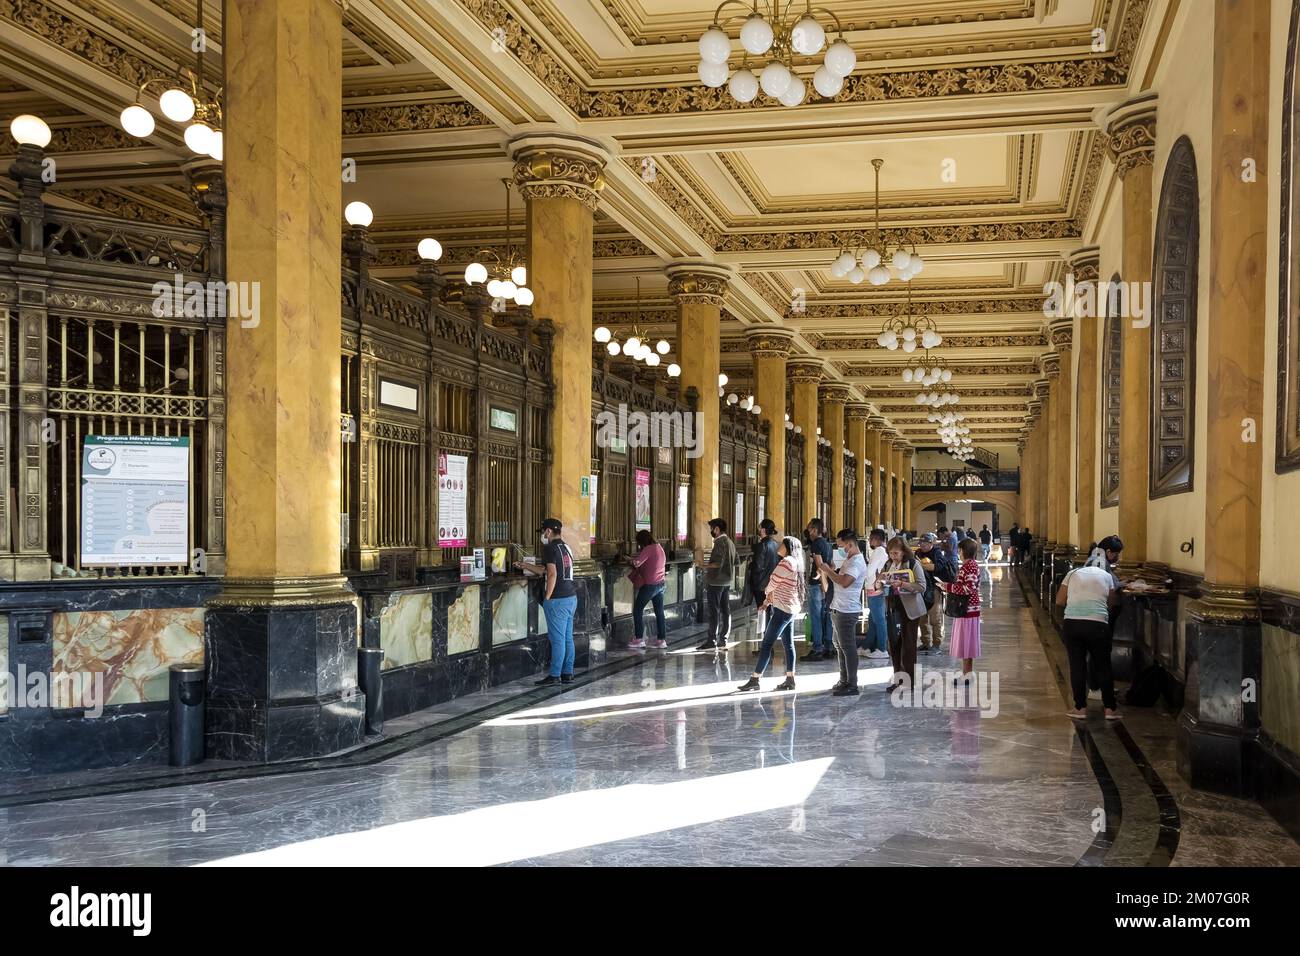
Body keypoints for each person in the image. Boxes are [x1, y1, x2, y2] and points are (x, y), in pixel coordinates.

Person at [1057, 546, 1122, 720]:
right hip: (1098, 625)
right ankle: (1109, 709)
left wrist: (1076, 605)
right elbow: (1112, 602)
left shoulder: (1072, 574)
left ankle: (1079, 708)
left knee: (1077, 666)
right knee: (1103, 665)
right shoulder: (1107, 576)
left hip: (1072, 624)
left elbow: (1059, 600)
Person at [738, 536, 806, 693]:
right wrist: (768, 601)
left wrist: (767, 592)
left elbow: (773, 581)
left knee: (767, 644)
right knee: (788, 644)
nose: (779, 545)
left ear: (788, 547)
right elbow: (780, 585)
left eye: (783, 543)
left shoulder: (787, 562)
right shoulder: (796, 562)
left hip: (783, 610)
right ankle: (790, 679)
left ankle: (755, 679)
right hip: (789, 608)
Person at [515, 518, 577, 686]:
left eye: (543, 532)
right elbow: (545, 570)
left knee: (557, 639)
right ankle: (567, 673)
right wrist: (525, 566)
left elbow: (551, 574)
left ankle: (555, 675)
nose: (543, 535)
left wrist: (548, 598)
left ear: (548, 531)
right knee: (567, 638)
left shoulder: (549, 548)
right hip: (571, 597)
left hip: (557, 599)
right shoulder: (566, 547)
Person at [813, 529, 869, 696]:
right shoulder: (850, 560)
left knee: (848, 647)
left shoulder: (857, 562)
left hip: (847, 610)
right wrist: (831, 570)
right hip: (838, 607)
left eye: (841, 546)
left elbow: (845, 582)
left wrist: (828, 571)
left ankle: (852, 683)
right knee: (840, 646)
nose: (839, 549)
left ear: (850, 544)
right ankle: (844, 680)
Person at [875, 536, 927, 693]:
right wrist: (880, 580)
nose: (893, 556)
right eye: (890, 553)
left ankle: (909, 681)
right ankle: (898, 679)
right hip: (893, 606)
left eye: (896, 553)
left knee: (909, 644)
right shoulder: (889, 564)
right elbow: (882, 580)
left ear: (904, 551)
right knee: (894, 644)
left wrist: (903, 584)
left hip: (910, 608)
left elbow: (921, 586)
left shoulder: (913, 564)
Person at [945, 538, 983, 681]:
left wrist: (948, 587)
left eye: (960, 550)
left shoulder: (971, 566)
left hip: (968, 609)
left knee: (967, 642)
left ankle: (968, 674)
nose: (958, 552)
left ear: (964, 551)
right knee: (965, 642)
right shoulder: (967, 565)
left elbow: (968, 588)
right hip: (965, 608)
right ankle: (966, 672)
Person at [698, 517, 737, 650]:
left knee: (714, 611)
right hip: (726, 581)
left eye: (711, 528)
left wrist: (704, 565)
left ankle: (712, 640)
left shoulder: (720, 542)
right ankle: (724, 639)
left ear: (717, 529)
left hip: (716, 582)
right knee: (725, 610)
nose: (711, 531)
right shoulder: (730, 542)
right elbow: (736, 560)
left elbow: (718, 562)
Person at [626, 529, 666, 649]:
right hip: (661, 583)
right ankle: (661, 640)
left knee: (638, 610)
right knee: (659, 612)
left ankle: (639, 639)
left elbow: (637, 563)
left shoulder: (649, 548)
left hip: (650, 585)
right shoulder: (659, 547)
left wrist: (628, 559)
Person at [801, 518, 835, 661]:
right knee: (826, 615)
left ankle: (817, 649)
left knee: (816, 616)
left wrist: (821, 580)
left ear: (815, 530)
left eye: (810, 530)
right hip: (826, 583)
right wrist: (826, 579)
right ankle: (829, 646)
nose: (809, 533)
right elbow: (831, 565)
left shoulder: (816, 544)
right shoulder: (828, 545)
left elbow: (820, 566)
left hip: (817, 585)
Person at [915, 533, 952, 654]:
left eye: (926, 543)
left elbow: (938, 567)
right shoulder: (918, 553)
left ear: (931, 543)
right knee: (922, 617)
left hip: (935, 589)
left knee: (935, 618)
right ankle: (925, 642)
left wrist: (921, 566)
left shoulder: (937, 553)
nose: (923, 545)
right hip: (921, 589)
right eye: (921, 543)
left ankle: (937, 644)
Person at [862, 528, 890, 660]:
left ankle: (882, 649)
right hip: (876, 588)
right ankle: (867, 646)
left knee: (879, 620)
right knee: (873, 620)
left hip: (875, 589)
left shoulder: (879, 551)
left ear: (876, 539)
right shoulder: (882, 551)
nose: (869, 540)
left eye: (870, 538)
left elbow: (870, 570)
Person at [751, 518, 780, 630]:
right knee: (769, 612)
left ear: (763, 530)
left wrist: (751, 566)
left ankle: (766, 645)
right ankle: (767, 644)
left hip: (761, 585)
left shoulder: (761, 545)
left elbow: (758, 567)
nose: (758, 529)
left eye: (759, 527)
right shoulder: (775, 544)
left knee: (763, 612)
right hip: (772, 583)